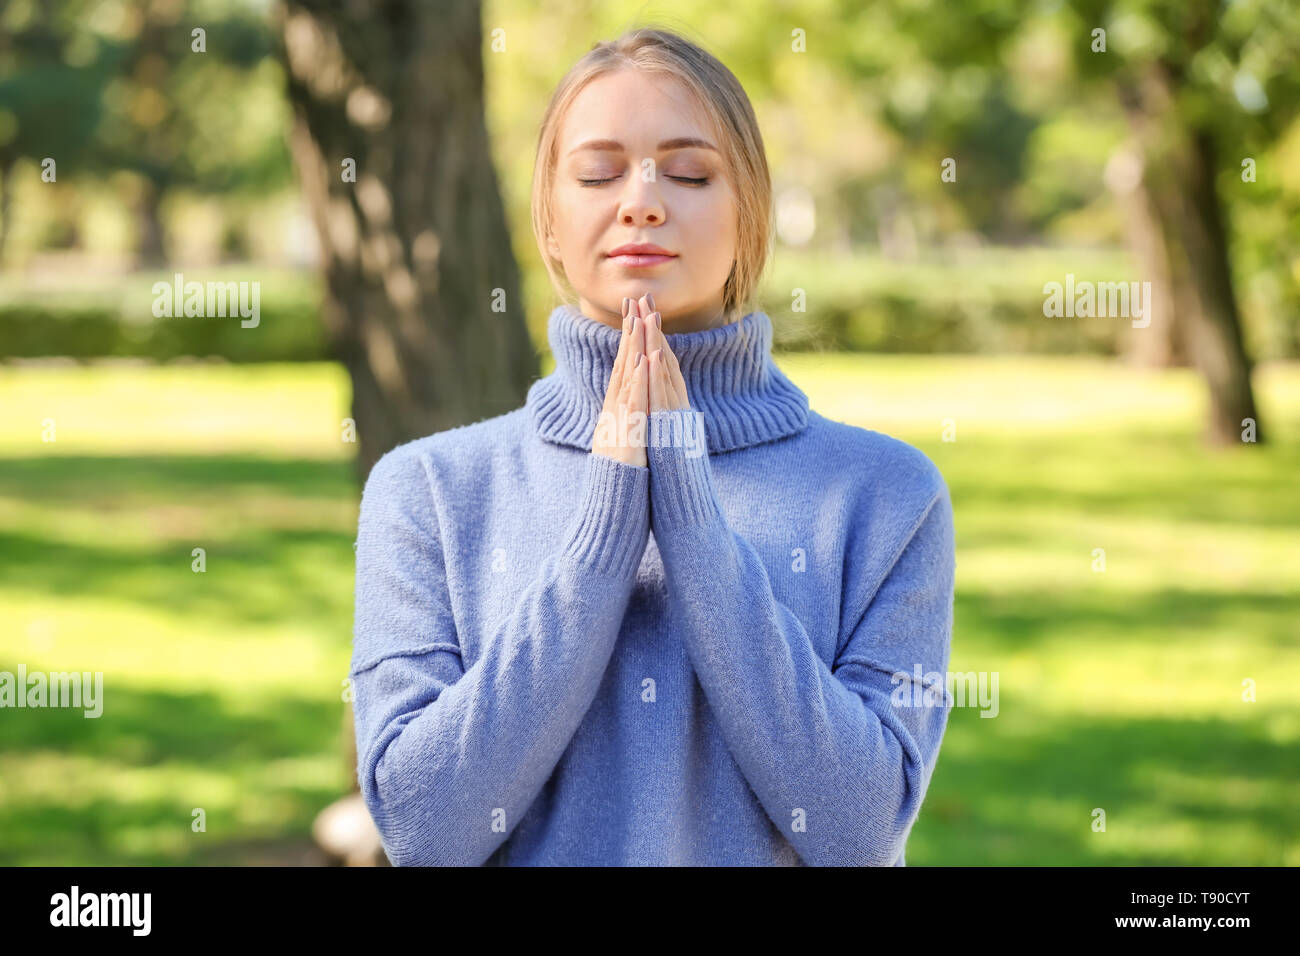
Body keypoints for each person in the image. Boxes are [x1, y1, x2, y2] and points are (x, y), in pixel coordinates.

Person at [350, 26, 956, 866]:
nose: (641, 200)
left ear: (750, 215)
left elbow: (857, 833)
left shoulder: (887, 494)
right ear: (551, 223)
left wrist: (693, 525)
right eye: (598, 172)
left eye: (691, 172)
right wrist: (603, 535)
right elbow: (426, 829)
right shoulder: (428, 489)